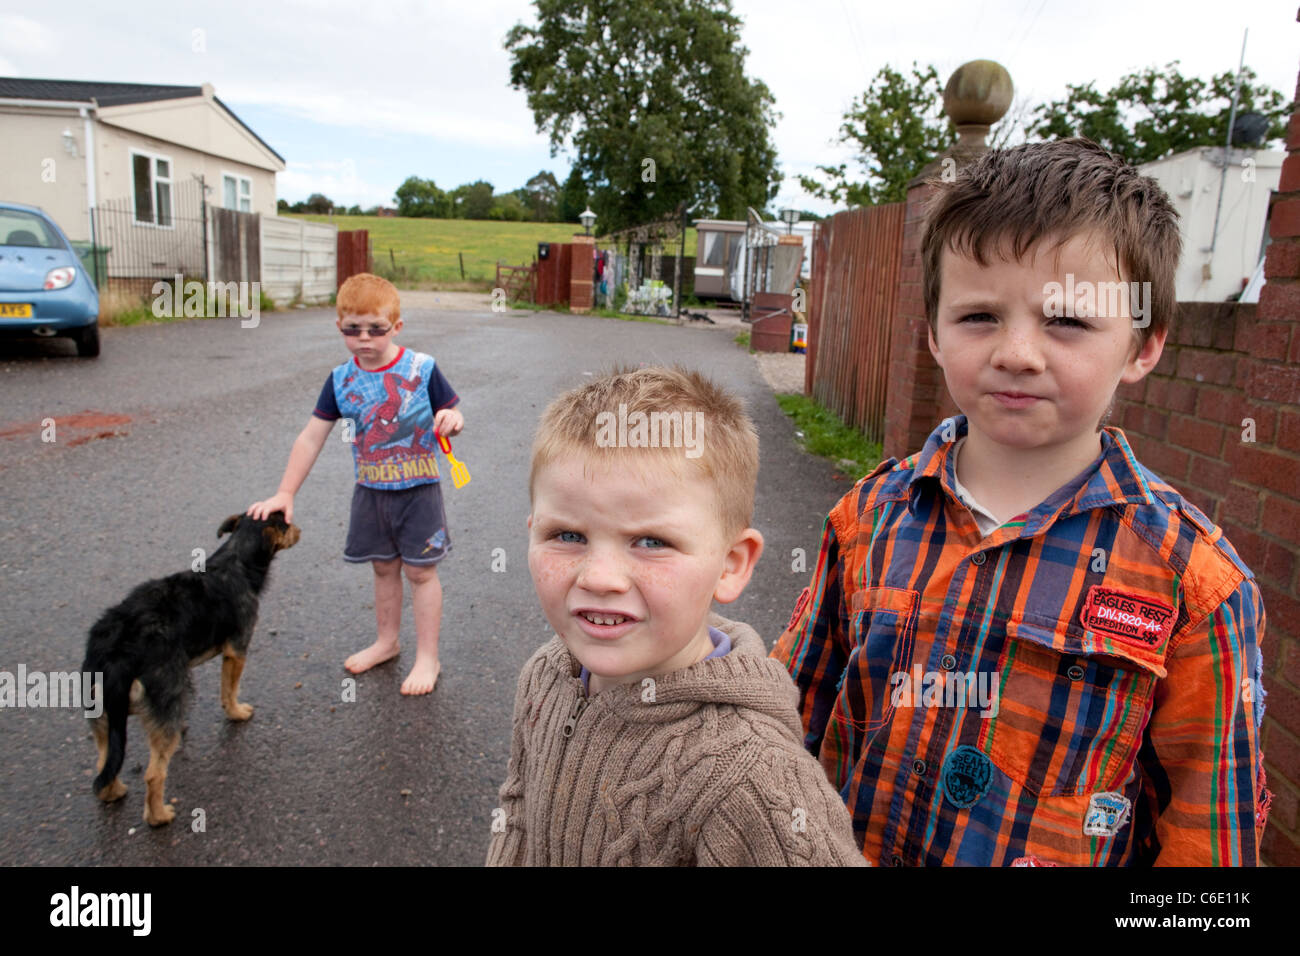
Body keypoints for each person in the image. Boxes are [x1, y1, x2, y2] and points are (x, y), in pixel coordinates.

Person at [772, 139, 1271, 866]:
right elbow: (792, 713)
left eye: (1066, 321)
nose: (1017, 352)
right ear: (936, 334)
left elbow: (1210, 840)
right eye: (979, 317)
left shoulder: (1196, 588)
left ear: (1143, 347)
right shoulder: (869, 515)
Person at [487, 366, 867, 865]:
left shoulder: (754, 777)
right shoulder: (545, 673)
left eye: (651, 542)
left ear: (731, 565)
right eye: (568, 535)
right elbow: (517, 810)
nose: (600, 577)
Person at [248, 273, 463, 696]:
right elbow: (311, 436)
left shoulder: (421, 369)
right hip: (371, 492)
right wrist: (285, 491)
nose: (364, 338)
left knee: (421, 573)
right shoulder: (340, 379)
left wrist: (453, 420)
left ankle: (427, 657)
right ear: (339, 327)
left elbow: (453, 412)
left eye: (376, 329)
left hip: (419, 491)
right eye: (353, 330)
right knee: (383, 568)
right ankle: (387, 641)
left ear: (396, 327)